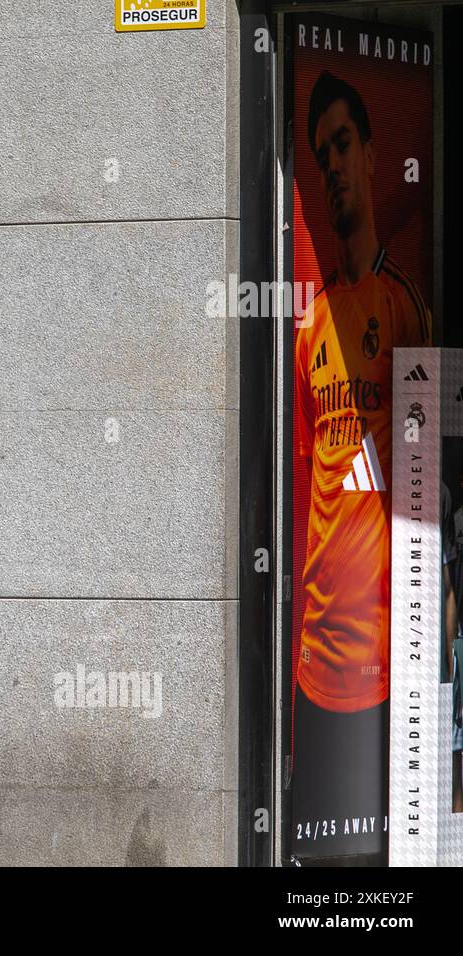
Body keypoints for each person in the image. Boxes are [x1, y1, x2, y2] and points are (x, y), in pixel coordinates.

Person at [291, 70, 432, 859]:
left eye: (344, 144)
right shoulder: (312, 328)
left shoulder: (406, 306)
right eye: (321, 152)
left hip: (387, 662)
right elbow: (314, 478)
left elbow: (428, 472)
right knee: (320, 860)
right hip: (317, 665)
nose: (334, 164)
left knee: (381, 858)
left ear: (374, 155)